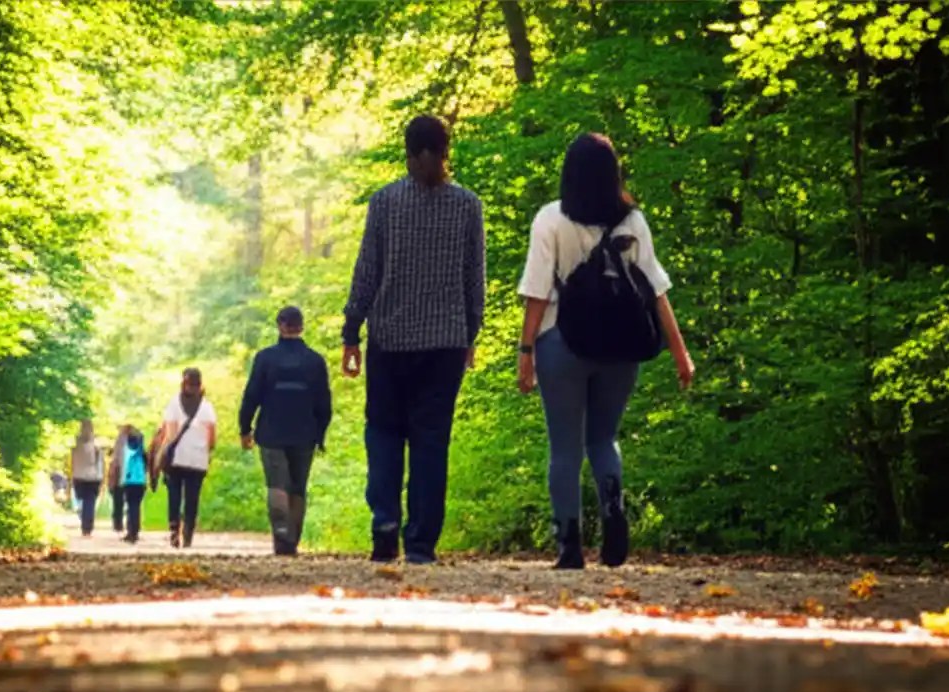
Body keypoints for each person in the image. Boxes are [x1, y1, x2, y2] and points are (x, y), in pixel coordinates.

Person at [516, 132, 695, 570]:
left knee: (565, 448)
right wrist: (680, 353)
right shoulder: (633, 222)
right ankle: (613, 510)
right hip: (621, 345)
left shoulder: (551, 219)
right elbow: (656, 291)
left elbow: (537, 291)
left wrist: (525, 351)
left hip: (562, 343)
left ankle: (569, 545)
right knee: (604, 438)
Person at [341, 115, 486, 565]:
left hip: (390, 340)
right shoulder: (468, 206)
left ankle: (385, 523)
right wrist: (471, 332)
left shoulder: (385, 202)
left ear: (408, 153)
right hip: (445, 343)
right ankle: (421, 542)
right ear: (446, 151)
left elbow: (367, 270)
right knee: (431, 440)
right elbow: (474, 279)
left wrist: (352, 329)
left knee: (384, 432)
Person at [239, 306, 333, 556]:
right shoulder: (315, 361)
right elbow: (324, 403)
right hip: (305, 434)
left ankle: (281, 536)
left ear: (280, 325)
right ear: (301, 326)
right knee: (298, 486)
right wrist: (320, 435)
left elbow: (251, 396)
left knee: (277, 484)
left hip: (271, 433)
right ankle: (293, 539)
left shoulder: (265, 358)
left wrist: (245, 428)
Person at [156, 368, 217, 548]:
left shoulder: (174, 404)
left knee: (174, 495)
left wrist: (162, 454)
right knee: (192, 497)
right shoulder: (207, 407)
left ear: (183, 383)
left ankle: (174, 529)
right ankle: (188, 532)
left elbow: (170, 434)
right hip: (198, 459)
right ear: (200, 384)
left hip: (176, 458)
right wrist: (208, 452)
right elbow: (212, 438)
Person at [68, 419, 104, 538]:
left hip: (78, 476)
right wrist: (102, 478)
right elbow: (100, 464)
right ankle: (87, 527)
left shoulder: (76, 446)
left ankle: (84, 521)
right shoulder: (96, 447)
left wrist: (71, 476)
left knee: (81, 500)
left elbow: (72, 462)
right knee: (90, 502)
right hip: (93, 477)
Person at [118, 427, 151, 544]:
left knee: (130, 507)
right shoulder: (143, 453)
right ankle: (135, 531)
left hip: (128, 482)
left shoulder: (125, 451)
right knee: (136, 507)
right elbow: (146, 468)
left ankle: (131, 532)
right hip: (140, 482)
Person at [105, 424, 130, 534]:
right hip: (133, 478)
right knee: (132, 504)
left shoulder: (119, 444)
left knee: (118, 503)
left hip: (119, 477)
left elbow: (115, 462)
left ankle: (118, 524)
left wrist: (110, 479)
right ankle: (131, 525)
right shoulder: (136, 444)